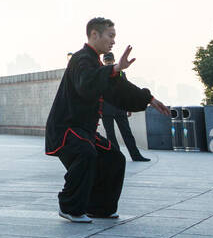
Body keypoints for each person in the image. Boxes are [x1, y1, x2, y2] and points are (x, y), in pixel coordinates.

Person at [45, 18, 170, 222]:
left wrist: (148, 98)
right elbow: (86, 84)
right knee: (86, 154)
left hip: (84, 131)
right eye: (110, 36)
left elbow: (118, 88)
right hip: (65, 130)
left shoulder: (95, 63)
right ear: (95, 34)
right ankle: (70, 207)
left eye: (114, 37)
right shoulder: (80, 59)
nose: (113, 41)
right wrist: (114, 68)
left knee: (114, 157)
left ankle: (100, 208)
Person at [100, 52, 148, 162]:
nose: (108, 62)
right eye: (107, 60)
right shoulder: (107, 73)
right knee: (118, 134)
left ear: (112, 60)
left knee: (119, 134)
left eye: (109, 60)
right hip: (112, 108)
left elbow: (126, 91)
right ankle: (128, 156)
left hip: (114, 108)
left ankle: (126, 156)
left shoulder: (117, 73)